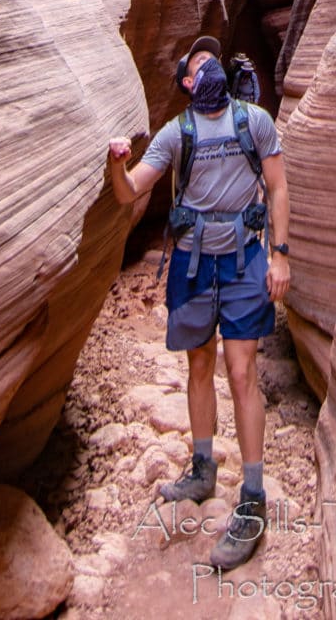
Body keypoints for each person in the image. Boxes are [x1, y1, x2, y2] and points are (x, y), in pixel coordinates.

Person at [107, 34, 291, 572]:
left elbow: (278, 187)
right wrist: (117, 164)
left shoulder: (253, 120)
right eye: (197, 62)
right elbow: (128, 192)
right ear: (187, 82)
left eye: (213, 57)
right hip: (191, 264)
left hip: (242, 261)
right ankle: (203, 465)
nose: (207, 64)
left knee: (242, 371)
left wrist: (280, 256)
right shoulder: (176, 133)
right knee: (199, 363)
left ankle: (252, 494)